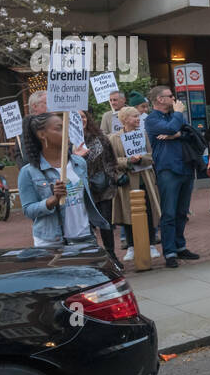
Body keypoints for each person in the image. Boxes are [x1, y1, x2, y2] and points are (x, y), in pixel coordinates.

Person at [16, 113, 109, 248]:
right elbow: (28, 210)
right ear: (42, 135)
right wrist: (52, 201)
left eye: (66, 127)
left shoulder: (79, 163)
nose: (66, 131)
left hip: (85, 237)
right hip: (52, 242)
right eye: (59, 128)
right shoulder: (29, 172)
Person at [145, 85, 200, 268]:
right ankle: (169, 251)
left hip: (185, 166)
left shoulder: (173, 116)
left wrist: (177, 133)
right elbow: (170, 129)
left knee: (182, 212)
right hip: (168, 169)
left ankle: (180, 245)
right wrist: (176, 123)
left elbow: (187, 133)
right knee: (168, 212)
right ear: (160, 99)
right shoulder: (151, 119)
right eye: (170, 96)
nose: (174, 99)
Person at [109, 105, 162, 263]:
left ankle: (151, 243)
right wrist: (128, 161)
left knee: (149, 210)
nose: (138, 119)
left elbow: (150, 155)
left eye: (138, 116)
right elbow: (112, 161)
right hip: (127, 181)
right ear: (125, 119)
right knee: (128, 213)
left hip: (145, 178)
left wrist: (141, 158)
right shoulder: (114, 138)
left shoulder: (142, 134)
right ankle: (131, 246)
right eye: (134, 116)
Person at [81, 109, 121, 256]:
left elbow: (111, 159)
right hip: (82, 189)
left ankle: (111, 255)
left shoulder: (100, 137)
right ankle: (94, 256)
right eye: (77, 117)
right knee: (86, 225)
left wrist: (110, 176)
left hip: (103, 187)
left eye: (83, 116)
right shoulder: (67, 141)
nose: (81, 120)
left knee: (106, 223)